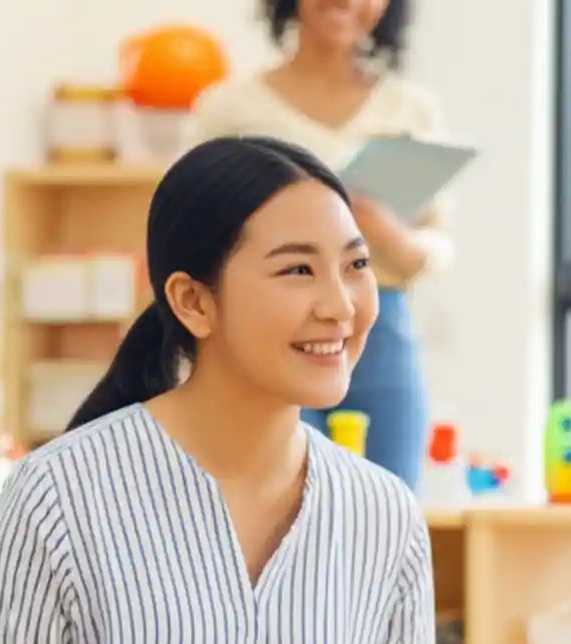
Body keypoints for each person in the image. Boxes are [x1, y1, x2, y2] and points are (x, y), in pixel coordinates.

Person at [0, 136, 436, 644]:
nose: (340, 305)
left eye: (356, 265)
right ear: (193, 302)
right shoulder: (55, 499)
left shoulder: (385, 516)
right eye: (298, 269)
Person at [187, 0, 450, 489]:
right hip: (265, 324)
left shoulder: (411, 110)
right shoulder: (230, 109)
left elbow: (433, 248)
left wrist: (380, 227)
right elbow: (188, 229)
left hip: (381, 324)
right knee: (275, 504)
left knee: (389, 505)